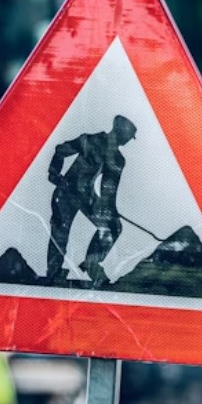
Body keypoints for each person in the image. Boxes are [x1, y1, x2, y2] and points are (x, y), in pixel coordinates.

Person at [45, 114, 138, 285]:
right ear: (120, 132)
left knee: (113, 226)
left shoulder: (117, 159)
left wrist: (110, 210)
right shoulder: (90, 140)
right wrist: (54, 174)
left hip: (85, 196)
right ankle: (53, 275)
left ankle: (91, 263)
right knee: (60, 232)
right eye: (127, 137)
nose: (127, 141)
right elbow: (60, 150)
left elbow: (108, 189)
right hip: (66, 191)